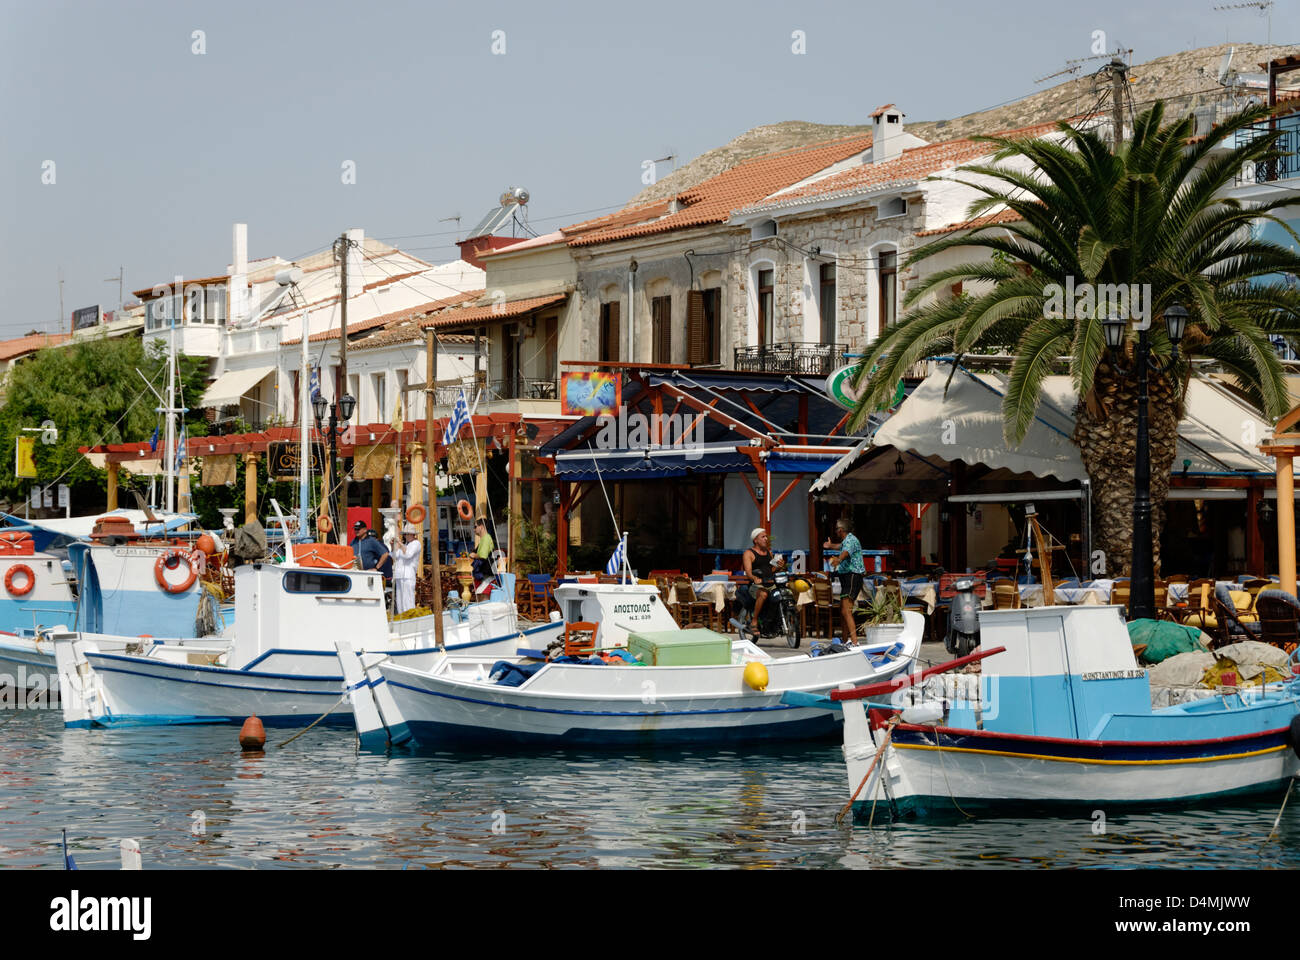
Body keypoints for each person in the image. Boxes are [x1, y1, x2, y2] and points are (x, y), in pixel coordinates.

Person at [827, 518, 865, 643]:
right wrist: (831, 545)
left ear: (841, 530)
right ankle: (845, 639)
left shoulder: (851, 540)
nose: (836, 532)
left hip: (852, 576)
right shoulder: (847, 540)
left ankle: (854, 641)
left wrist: (838, 559)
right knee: (843, 609)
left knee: (846, 609)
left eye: (837, 530)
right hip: (847, 577)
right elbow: (841, 547)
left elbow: (845, 552)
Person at [742, 527, 783, 631]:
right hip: (756, 585)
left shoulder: (768, 552)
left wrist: (779, 566)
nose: (766, 539)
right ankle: (754, 620)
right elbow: (748, 572)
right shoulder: (749, 553)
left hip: (770, 583)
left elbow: (772, 570)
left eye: (766, 537)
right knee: (763, 593)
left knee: (784, 593)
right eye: (763, 537)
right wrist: (754, 578)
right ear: (755, 540)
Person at [391, 524, 422, 614]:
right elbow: (394, 556)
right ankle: (401, 616)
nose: (407, 536)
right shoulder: (405, 545)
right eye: (405, 534)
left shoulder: (416, 544)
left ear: (413, 535)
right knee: (400, 600)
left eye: (409, 534)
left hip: (408, 575)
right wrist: (393, 545)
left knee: (408, 599)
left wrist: (399, 543)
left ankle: (409, 616)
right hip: (400, 574)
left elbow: (408, 555)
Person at [472, 518, 495, 583]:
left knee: (481, 593)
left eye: (475, 527)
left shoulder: (486, 538)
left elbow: (483, 556)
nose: (474, 529)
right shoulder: (483, 539)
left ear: (481, 526)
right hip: (483, 574)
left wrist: (474, 555)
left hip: (486, 575)